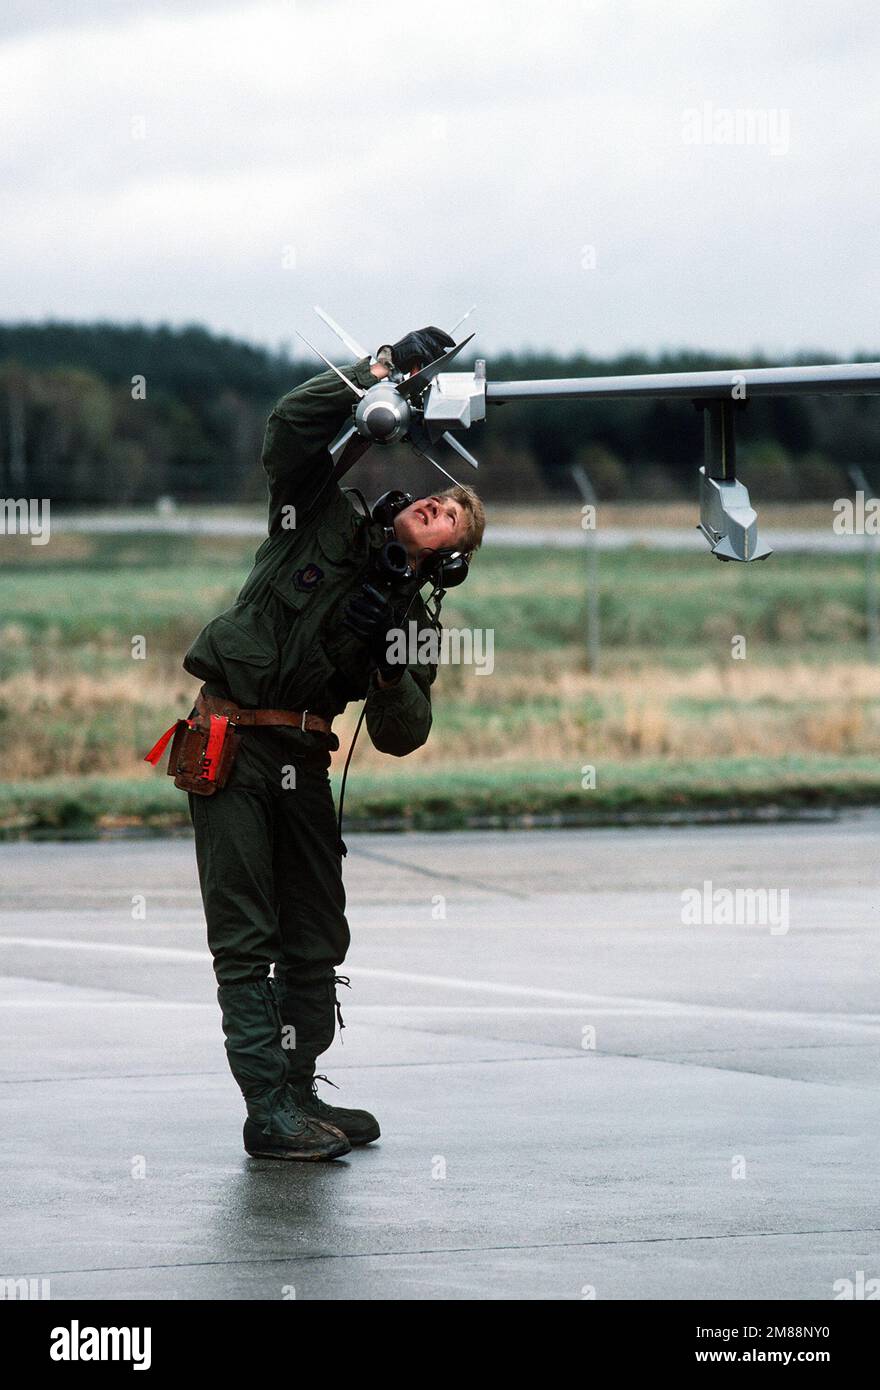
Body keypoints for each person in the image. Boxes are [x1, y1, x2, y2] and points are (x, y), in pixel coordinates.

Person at [179, 327, 486, 1160]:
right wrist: (377, 372)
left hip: (303, 761)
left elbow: (402, 736)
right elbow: (287, 426)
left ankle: (300, 1088)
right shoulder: (316, 514)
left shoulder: (410, 625)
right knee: (245, 937)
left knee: (315, 933)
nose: (440, 505)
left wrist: (388, 670)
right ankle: (265, 1113)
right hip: (232, 739)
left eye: (455, 518)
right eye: (440, 496)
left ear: (449, 561)